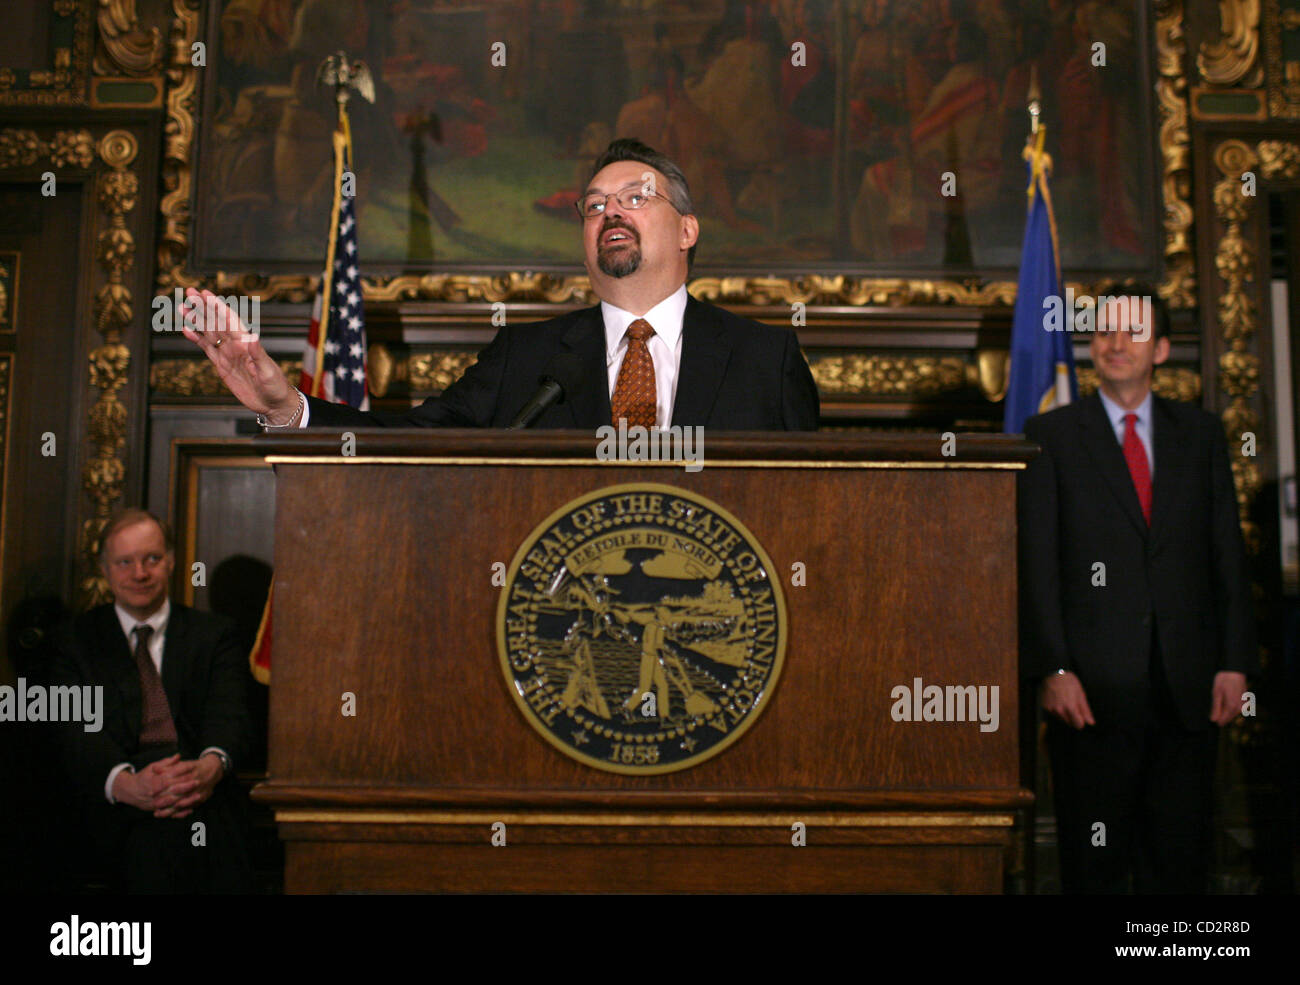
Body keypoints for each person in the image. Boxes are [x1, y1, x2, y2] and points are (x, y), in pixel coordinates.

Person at [180, 138, 819, 431]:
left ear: (687, 231)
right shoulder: (526, 359)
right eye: (594, 206)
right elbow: (418, 443)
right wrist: (285, 407)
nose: (611, 213)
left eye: (634, 197)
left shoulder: (766, 360)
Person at [1017, 286, 1257, 894]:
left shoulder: (1200, 435)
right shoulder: (1051, 434)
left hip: (1188, 691)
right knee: (1092, 864)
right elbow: (1036, 562)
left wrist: (1234, 662)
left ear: (1162, 349)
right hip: (1091, 699)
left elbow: (1226, 554)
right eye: (1104, 330)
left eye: (1132, 331)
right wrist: (1054, 668)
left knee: (1178, 868)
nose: (1115, 342)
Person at [48, 508, 254, 893]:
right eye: (124, 562)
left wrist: (207, 770)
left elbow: (231, 716)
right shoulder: (73, 643)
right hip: (116, 813)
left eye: (152, 559)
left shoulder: (214, 636)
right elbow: (72, 732)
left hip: (201, 803)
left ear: (171, 562)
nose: (139, 573)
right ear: (105, 570)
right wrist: (126, 785)